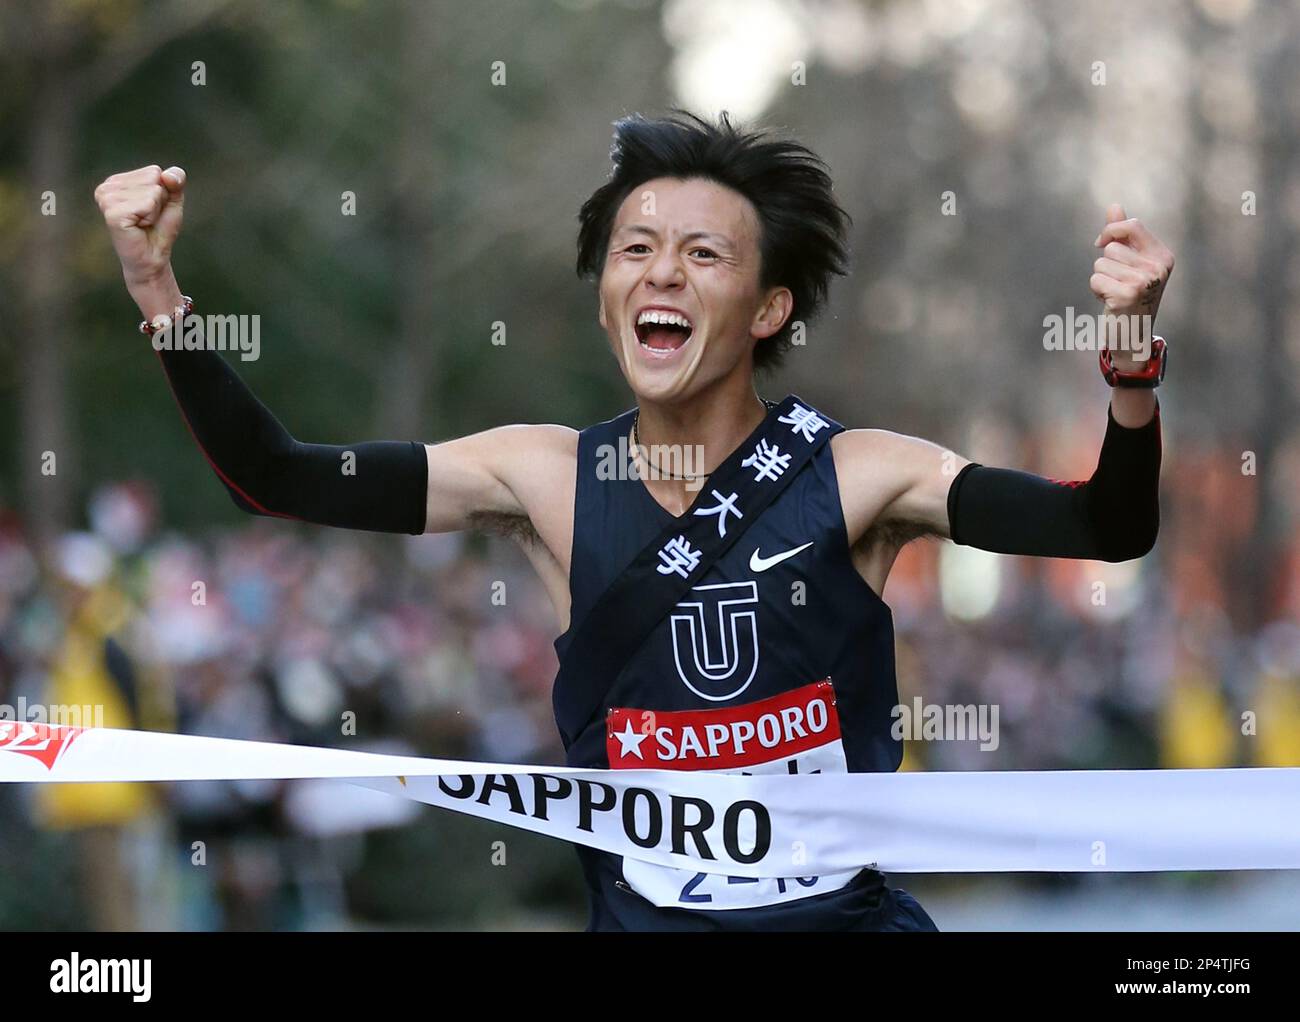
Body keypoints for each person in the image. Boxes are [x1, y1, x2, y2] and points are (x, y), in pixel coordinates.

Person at [93, 111, 1172, 931]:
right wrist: (158, 291)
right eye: (634, 248)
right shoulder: (543, 476)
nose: (661, 269)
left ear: (767, 307)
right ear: (605, 289)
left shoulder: (860, 473)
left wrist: (1128, 365)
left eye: (704, 253)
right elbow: (279, 476)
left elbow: (1106, 526)